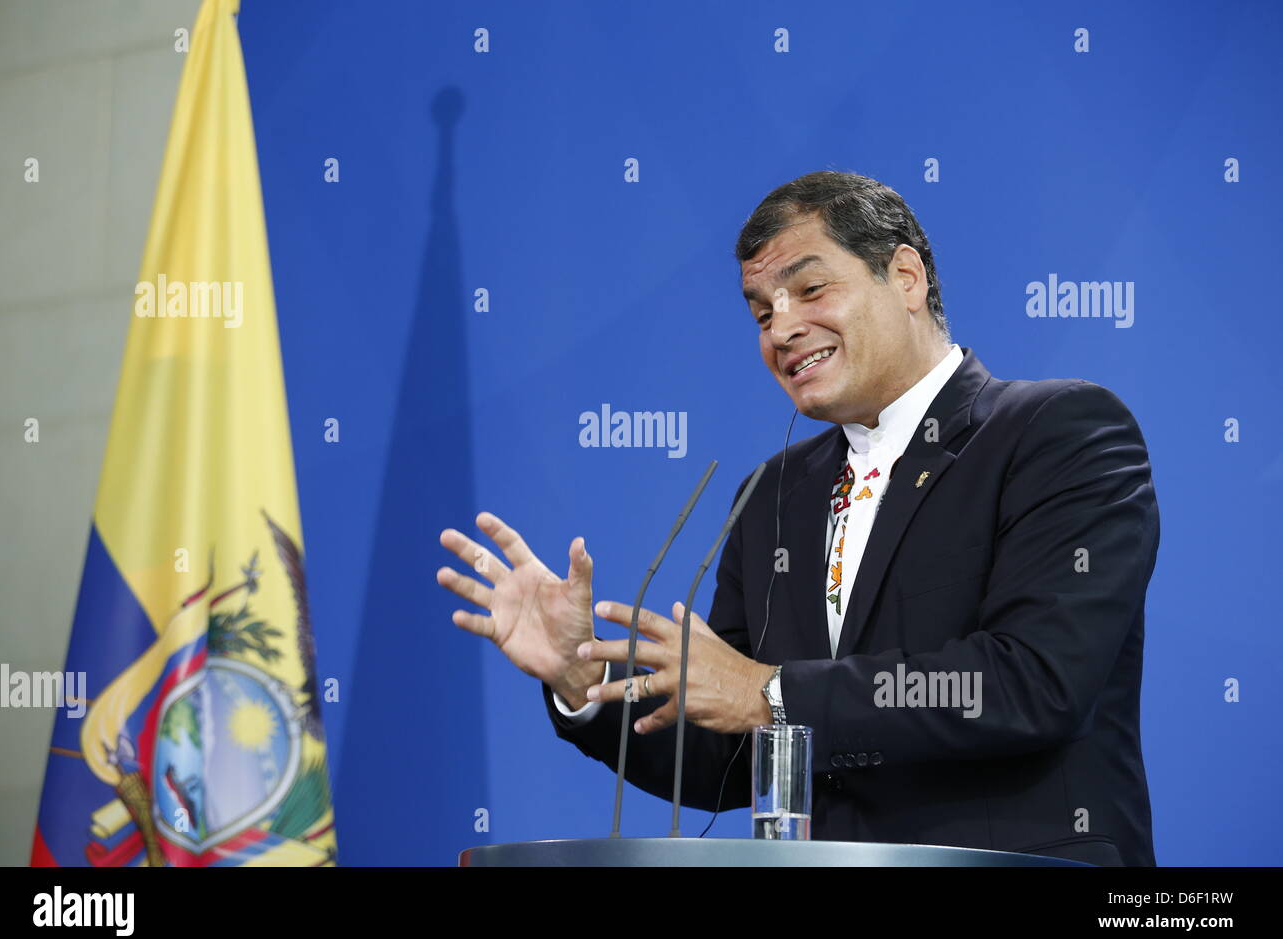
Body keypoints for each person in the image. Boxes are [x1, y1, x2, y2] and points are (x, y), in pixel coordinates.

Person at [436, 170, 1159, 866]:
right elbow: (725, 754)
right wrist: (577, 679)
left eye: (810, 289)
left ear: (905, 277)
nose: (781, 328)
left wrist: (771, 694)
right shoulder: (775, 493)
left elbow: (1033, 681)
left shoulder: (1057, 430)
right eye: (761, 312)